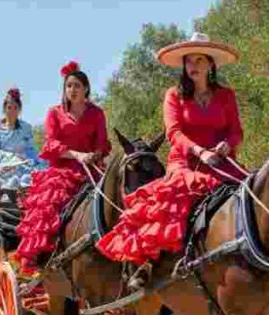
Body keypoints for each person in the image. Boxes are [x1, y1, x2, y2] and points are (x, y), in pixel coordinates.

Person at [96, 33, 246, 290]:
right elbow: (174, 133)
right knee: (172, 206)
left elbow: (237, 132)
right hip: (185, 164)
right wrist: (200, 152)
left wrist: (226, 145)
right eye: (189, 61)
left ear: (211, 64)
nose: (194, 65)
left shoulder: (226, 96)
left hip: (223, 164)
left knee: (257, 195)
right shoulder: (174, 95)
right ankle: (149, 265)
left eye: (199, 60)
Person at [15, 60, 110, 273]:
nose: (73, 90)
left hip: (91, 169)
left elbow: (103, 143)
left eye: (77, 85)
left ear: (86, 88)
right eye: (69, 86)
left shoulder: (97, 113)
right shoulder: (54, 113)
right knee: (48, 206)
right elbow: (52, 144)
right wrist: (77, 155)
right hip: (62, 171)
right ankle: (42, 257)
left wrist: (95, 154)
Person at [0, 87, 43, 190]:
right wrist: (9, 157)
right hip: (4, 162)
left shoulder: (26, 127)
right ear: (4, 109)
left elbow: (30, 148)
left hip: (22, 162)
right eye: (9, 107)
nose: (12, 111)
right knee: (6, 177)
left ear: (19, 110)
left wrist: (28, 158)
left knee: (34, 174)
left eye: (15, 108)